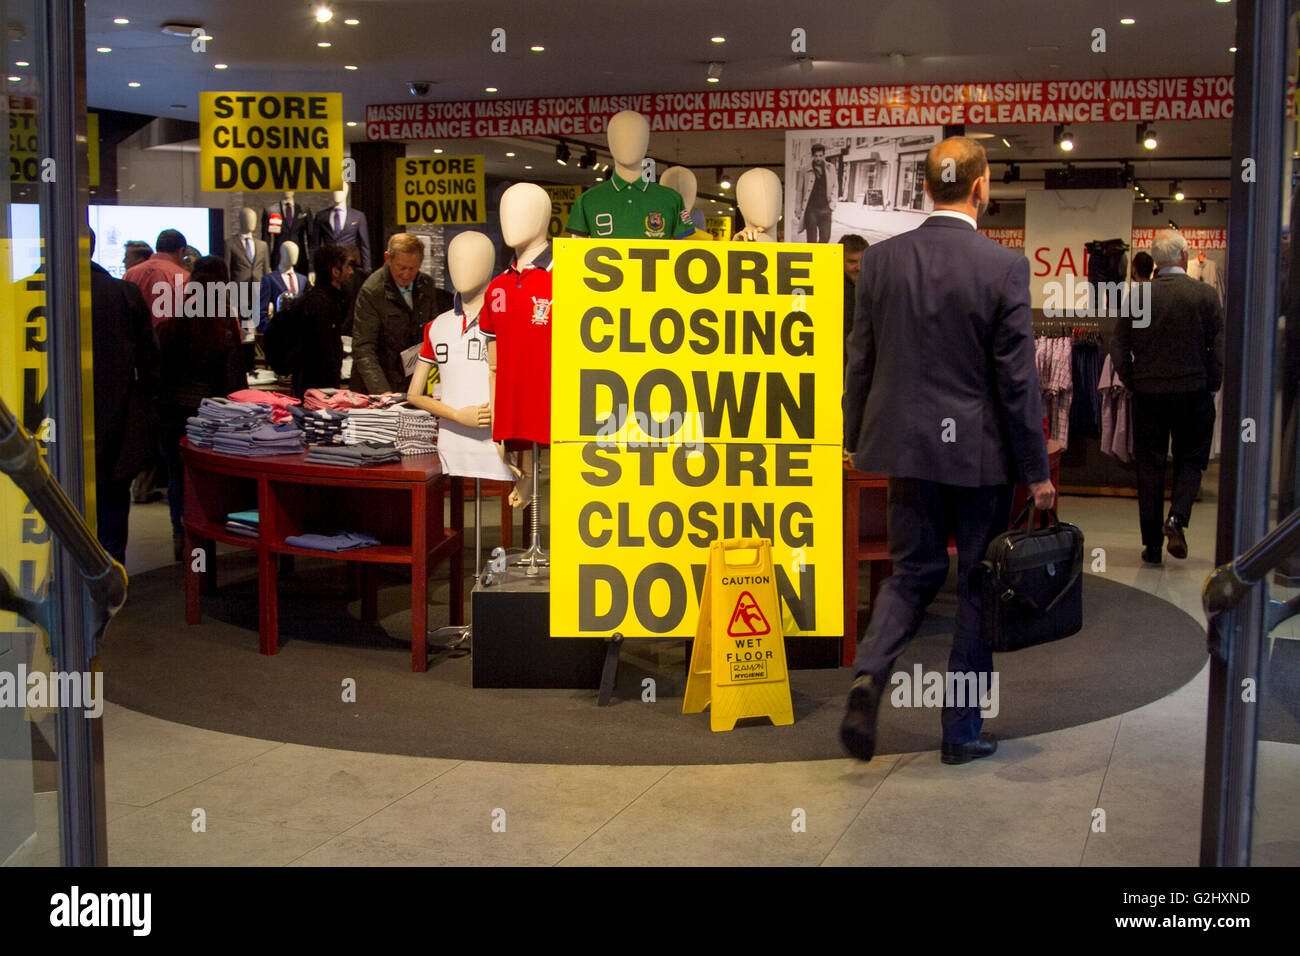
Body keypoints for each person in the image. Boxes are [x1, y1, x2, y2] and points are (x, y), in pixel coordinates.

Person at [840, 136, 1055, 766]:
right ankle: (961, 733)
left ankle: (870, 674)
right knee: (977, 587)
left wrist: (856, 441)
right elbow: (1018, 382)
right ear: (982, 187)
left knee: (912, 572)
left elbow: (862, 363)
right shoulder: (1003, 267)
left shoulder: (879, 263)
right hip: (978, 459)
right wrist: (1036, 471)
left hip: (905, 451)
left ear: (925, 187)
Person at [1111, 229, 1224, 564]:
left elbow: (1119, 345)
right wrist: (1212, 383)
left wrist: (1132, 380)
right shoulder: (1204, 296)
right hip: (1193, 390)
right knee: (1192, 458)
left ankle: (1152, 546)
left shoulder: (1138, 297)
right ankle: (1177, 518)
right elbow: (1217, 347)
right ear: (1184, 257)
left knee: (1150, 464)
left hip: (1149, 392)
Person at [155, 255, 247, 561]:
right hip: (208, 415)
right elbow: (234, 382)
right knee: (203, 481)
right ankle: (203, 542)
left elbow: (159, 373)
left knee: (176, 476)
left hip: (171, 412)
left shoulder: (170, 326)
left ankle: (180, 538)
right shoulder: (224, 328)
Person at [88, 228, 161, 564]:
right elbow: (150, 362)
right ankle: (110, 575)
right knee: (111, 502)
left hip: (46, 423)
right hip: (115, 418)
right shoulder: (123, 294)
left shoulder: (31, 290)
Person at [350, 232, 440, 395]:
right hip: (378, 386)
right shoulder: (372, 291)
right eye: (401, 267)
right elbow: (364, 349)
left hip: (412, 381)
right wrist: (383, 393)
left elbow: (432, 334)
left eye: (412, 268)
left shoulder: (426, 285)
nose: (406, 274)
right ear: (388, 258)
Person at [291, 244, 353, 398]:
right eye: (347, 267)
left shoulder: (330, 300)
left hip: (321, 389)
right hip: (315, 392)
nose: (350, 272)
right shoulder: (319, 304)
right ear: (335, 272)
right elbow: (321, 353)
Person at [123, 228, 190, 326]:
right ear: (181, 251)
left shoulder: (130, 274)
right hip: (170, 339)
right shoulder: (184, 277)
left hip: (135, 339)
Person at [796, 143, 837, 243]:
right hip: (811, 209)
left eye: (820, 155)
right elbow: (799, 190)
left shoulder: (830, 168)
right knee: (811, 239)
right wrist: (798, 208)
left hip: (825, 208)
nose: (818, 158)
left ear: (824, 155)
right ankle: (814, 256)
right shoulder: (804, 170)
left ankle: (820, 255)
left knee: (826, 237)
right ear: (812, 156)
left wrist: (832, 204)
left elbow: (835, 186)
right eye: (816, 156)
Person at [840, 234, 868, 341]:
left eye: (863, 261)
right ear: (839, 260)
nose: (859, 267)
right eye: (852, 262)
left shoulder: (873, 289)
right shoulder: (830, 292)